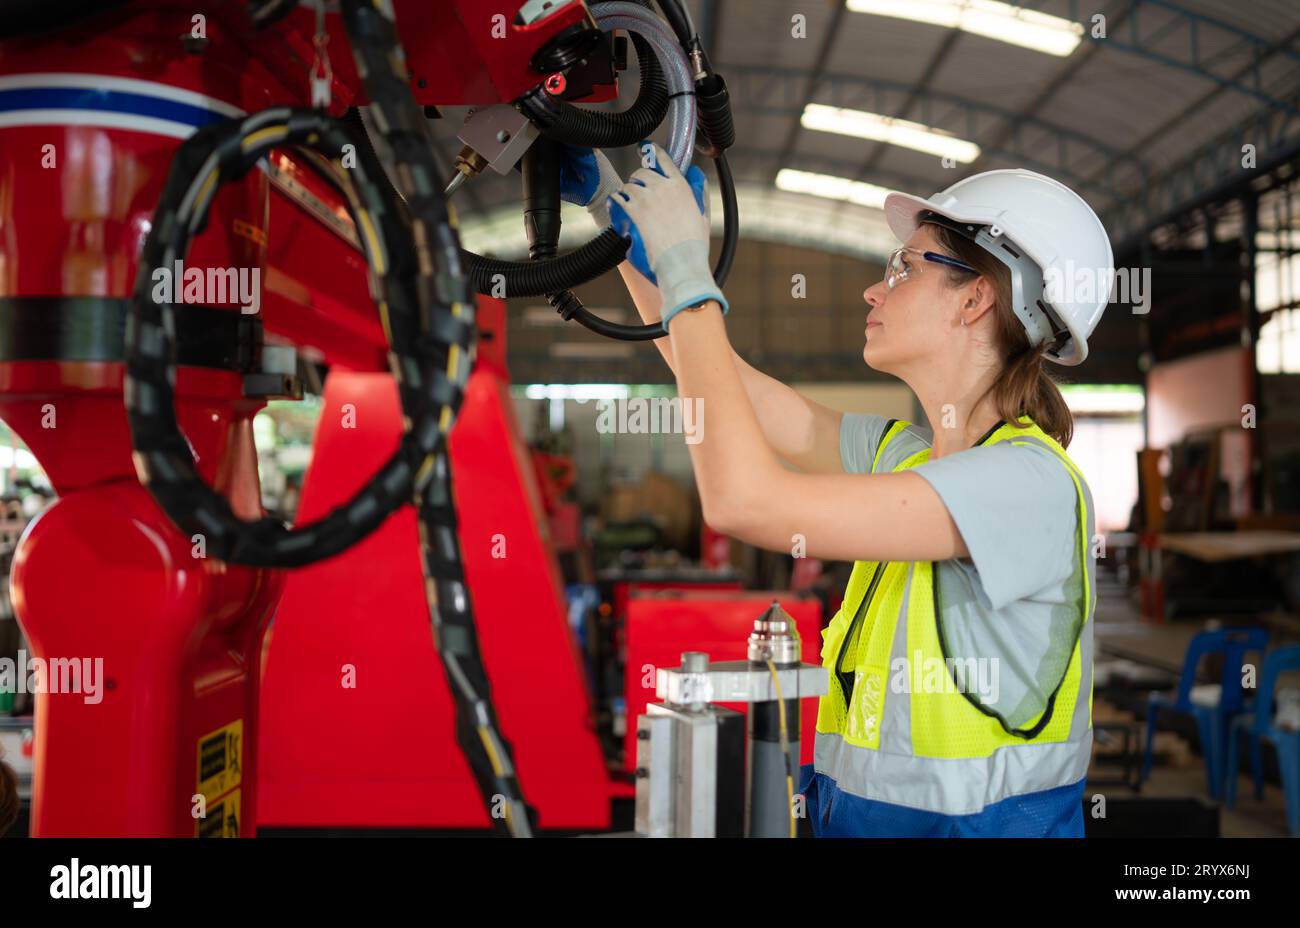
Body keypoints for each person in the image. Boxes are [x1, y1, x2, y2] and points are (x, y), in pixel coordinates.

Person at [561, 141, 1111, 837]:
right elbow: (734, 389)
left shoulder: (1026, 484)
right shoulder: (908, 457)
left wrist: (685, 264)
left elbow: (743, 501)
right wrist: (622, 228)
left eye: (903, 267)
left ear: (976, 298)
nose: (874, 289)